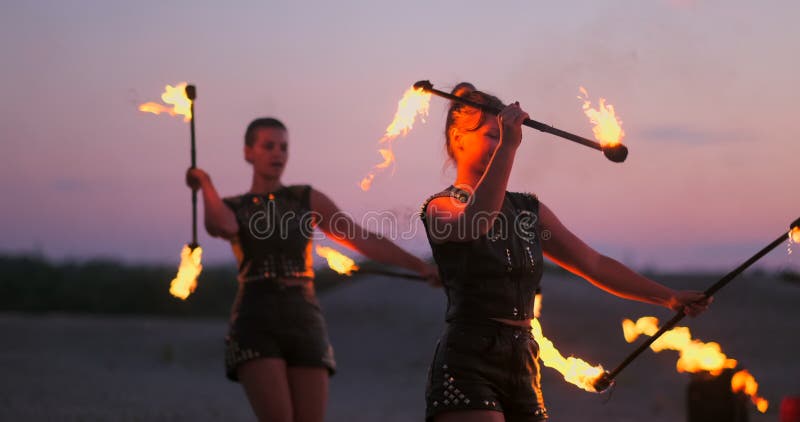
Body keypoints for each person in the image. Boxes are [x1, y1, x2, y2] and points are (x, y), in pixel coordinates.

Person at [419, 83, 712, 422]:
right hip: (469, 363)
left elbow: (594, 264)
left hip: (524, 363)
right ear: (458, 137)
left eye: (502, 137)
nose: (498, 145)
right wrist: (511, 147)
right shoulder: (442, 207)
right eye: (490, 135)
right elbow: (478, 220)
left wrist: (670, 298)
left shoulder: (529, 211)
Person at [186, 117, 439, 422]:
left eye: (284, 147)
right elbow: (221, 225)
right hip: (256, 315)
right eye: (268, 146)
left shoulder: (305, 198)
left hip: (304, 315)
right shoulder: (234, 206)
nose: (278, 153)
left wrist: (421, 267)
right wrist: (205, 183)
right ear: (248, 152)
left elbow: (361, 237)